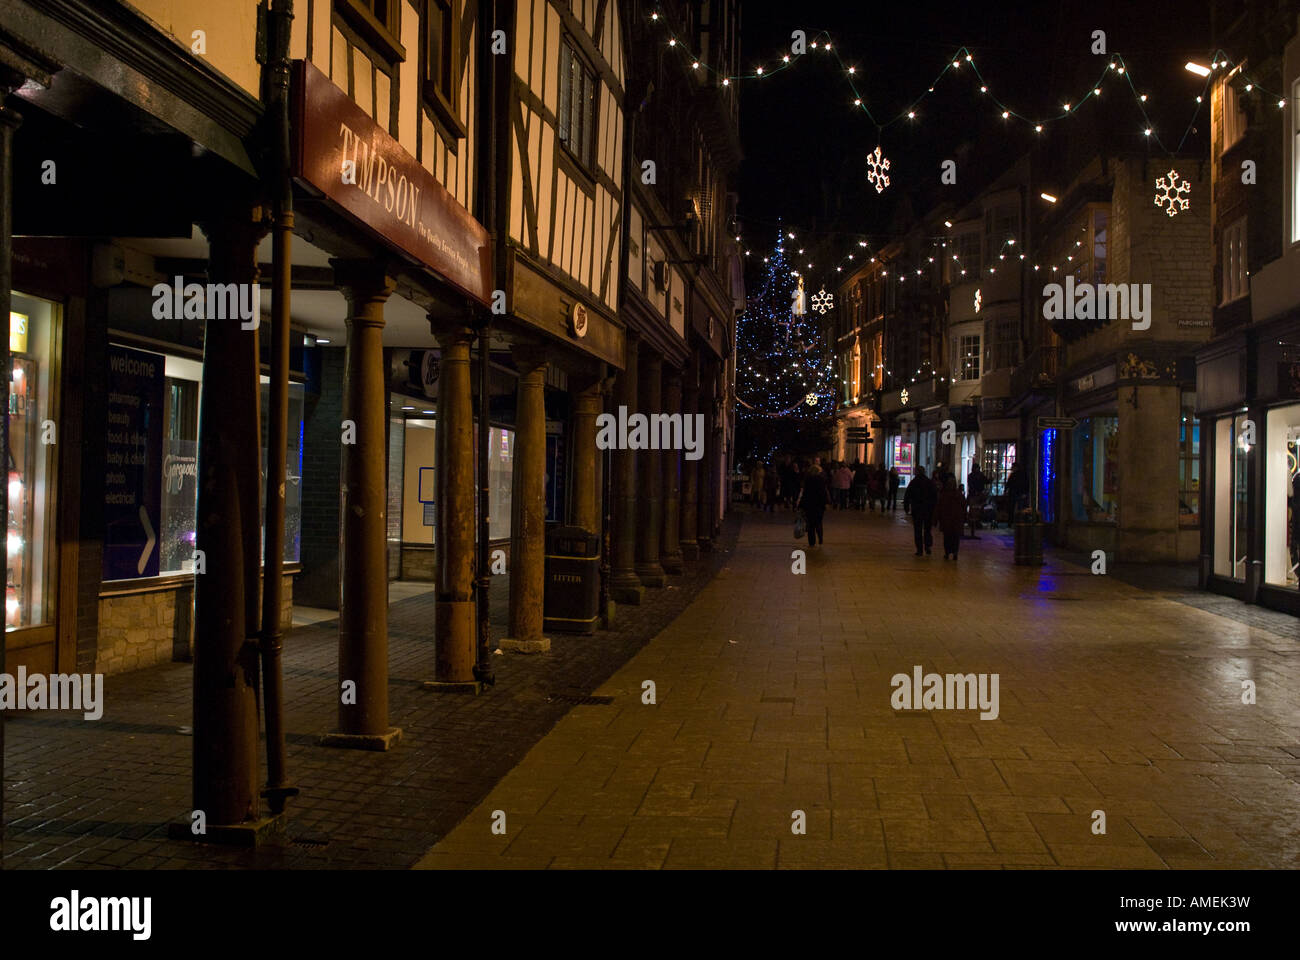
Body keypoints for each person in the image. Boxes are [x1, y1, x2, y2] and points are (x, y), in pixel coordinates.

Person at [903, 465, 938, 556]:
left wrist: (907, 507)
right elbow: (934, 496)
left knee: (918, 529)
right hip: (927, 509)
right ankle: (927, 546)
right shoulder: (929, 482)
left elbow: (907, 495)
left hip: (917, 509)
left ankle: (919, 549)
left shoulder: (914, 482)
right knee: (927, 529)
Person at [796, 462, 831, 547]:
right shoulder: (821, 480)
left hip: (809, 504)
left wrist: (801, 504)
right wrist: (826, 502)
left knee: (811, 524)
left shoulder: (807, 480)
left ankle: (812, 542)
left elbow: (805, 493)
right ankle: (820, 537)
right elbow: (823, 493)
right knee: (818, 522)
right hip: (819, 505)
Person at [936, 475, 968, 560]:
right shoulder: (959, 495)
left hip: (946, 519)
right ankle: (955, 552)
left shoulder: (944, 495)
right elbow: (964, 506)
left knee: (947, 537)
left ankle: (947, 552)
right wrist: (964, 516)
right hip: (956, 519)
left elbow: (939, 507)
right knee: (955, 537)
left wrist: (937, 518)